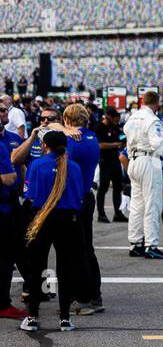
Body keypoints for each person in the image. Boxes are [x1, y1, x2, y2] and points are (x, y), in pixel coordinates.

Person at [19, 130, 84, 331]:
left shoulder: (36, 165)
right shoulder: (73, 167)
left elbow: (29, 194)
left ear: (45, 146)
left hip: (42, 218)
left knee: (37, 267)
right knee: (66, 267)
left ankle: (32, 317)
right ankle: (65, 318)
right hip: (68, 220)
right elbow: (80, 196)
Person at [60, 104, 104, 315]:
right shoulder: (92, 138)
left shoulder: (71, 142)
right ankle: (94, 295)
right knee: (87, 249)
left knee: (76, 250)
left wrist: (63, 131)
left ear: (67, 120)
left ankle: (83, 299)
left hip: (73, 198)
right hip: (86, 195)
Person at [123, 91, 163, 259]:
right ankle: (151, 244)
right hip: (149, 161)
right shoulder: (153, 120)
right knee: (153, 204)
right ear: (157, 103)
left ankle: (135, 243)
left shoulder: (131, 118)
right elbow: (157, 143)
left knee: (137, 205)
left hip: (134, 161)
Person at [0, 131, 22, 319]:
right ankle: (2, 304)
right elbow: (8, 178)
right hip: (3, 209)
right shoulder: (0, 147)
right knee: (5, 257)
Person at [93, 107, 126, 222]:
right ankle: (101, 214)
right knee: (103, 188)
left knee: (118, 187)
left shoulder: (115, 127)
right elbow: (100, 145)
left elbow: (121, 138)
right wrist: (115, 144)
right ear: (109, 117)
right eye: (115, 119)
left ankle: (118, 213)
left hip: (115, 160)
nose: (116, 122)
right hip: (104, 161)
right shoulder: (99, 127)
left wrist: (122, 142)